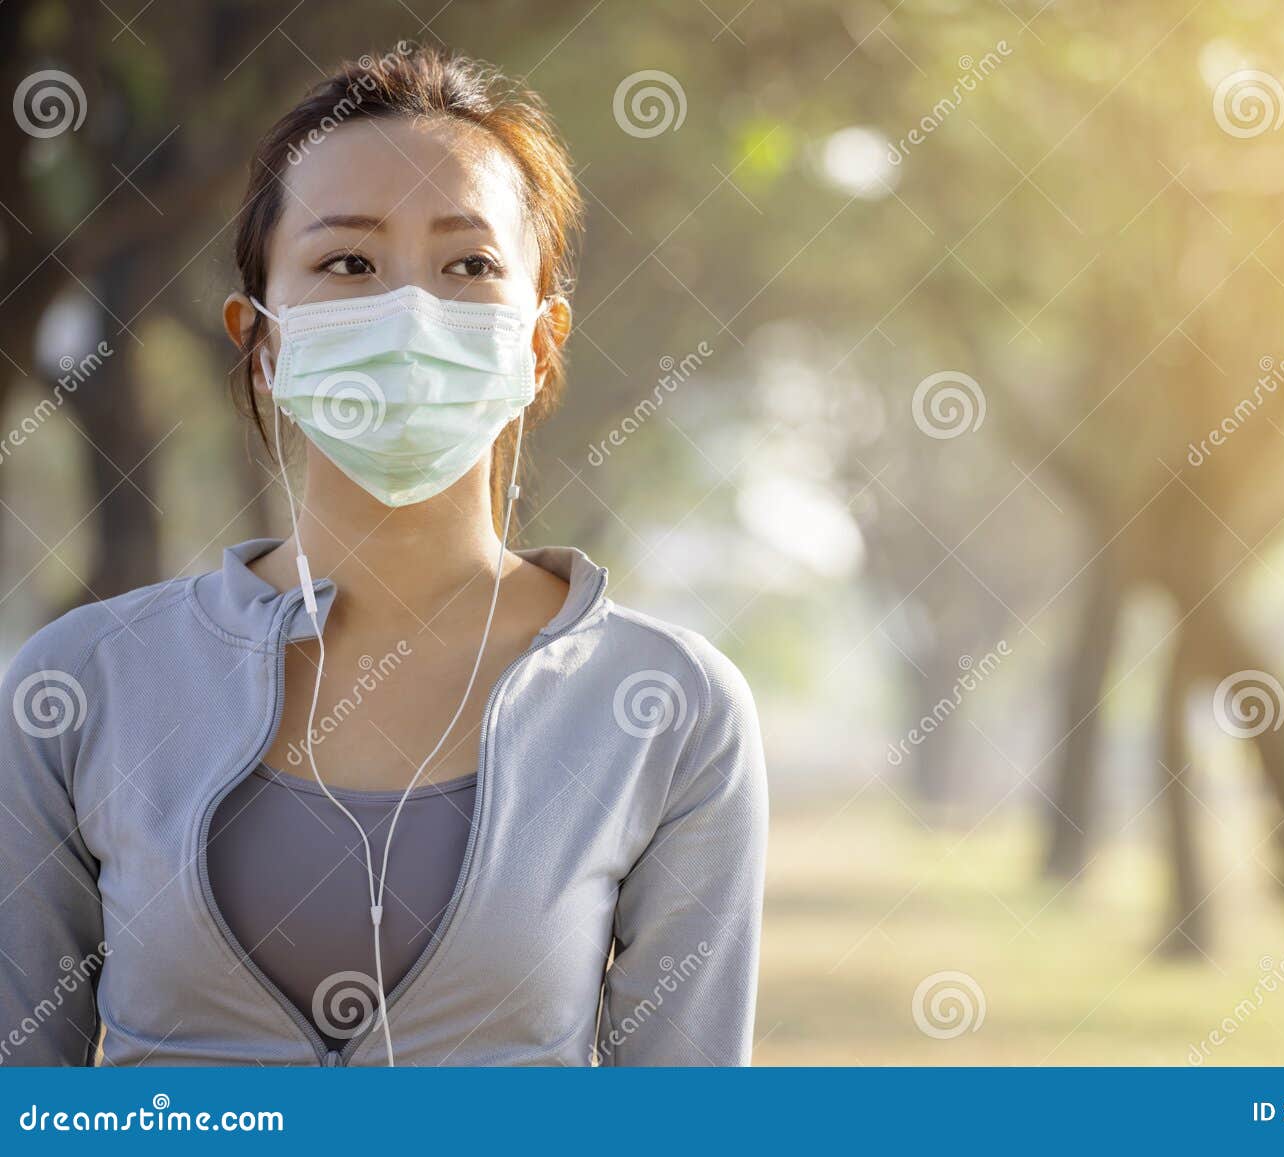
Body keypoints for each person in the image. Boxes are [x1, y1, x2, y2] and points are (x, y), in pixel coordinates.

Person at [0, 44, 767, 1067]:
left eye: (471, 265)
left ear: (540, 342)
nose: (411, 312)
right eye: (348, 262)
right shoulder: (78, 688)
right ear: (261, 343)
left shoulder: (670, 707)